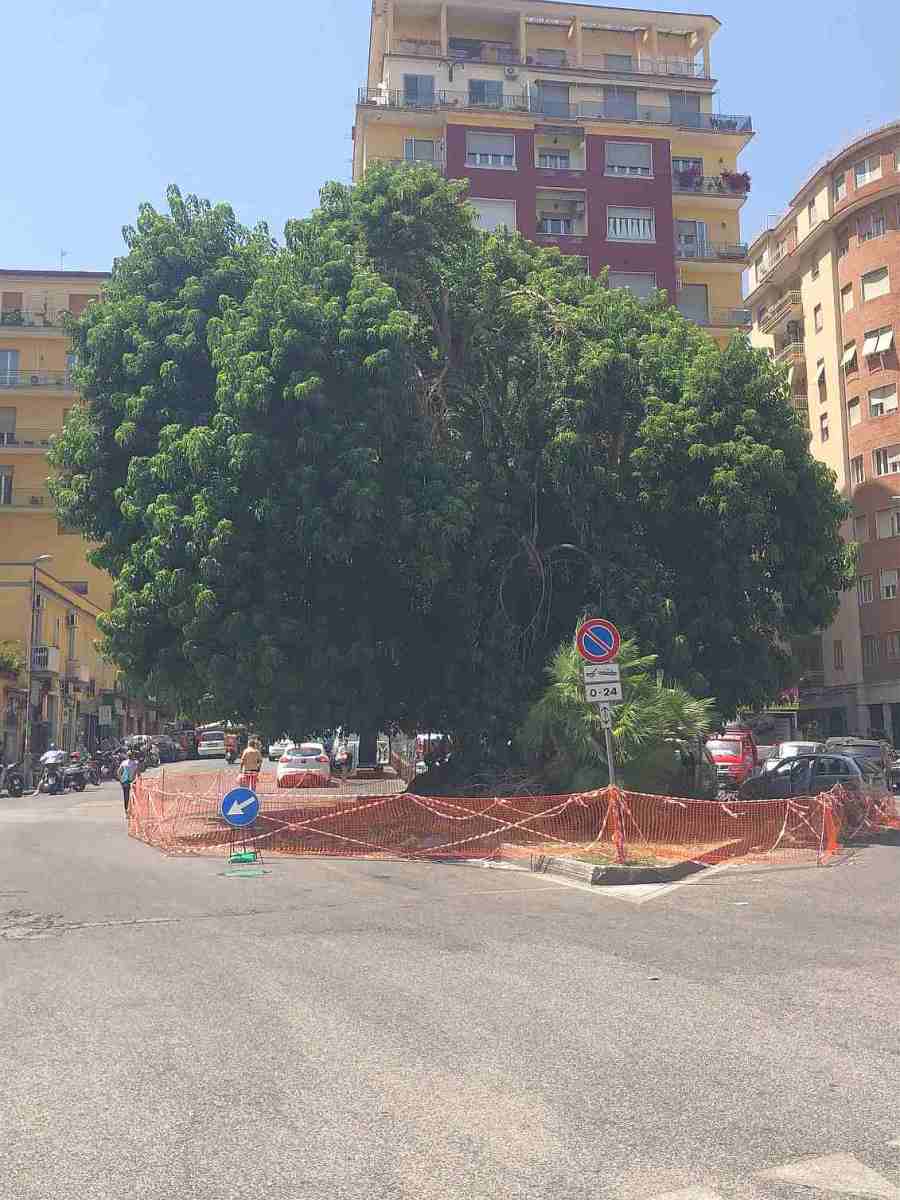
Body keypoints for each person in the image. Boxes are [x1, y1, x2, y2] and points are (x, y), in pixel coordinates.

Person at [117, 748, 139, 816]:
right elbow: (137, 773)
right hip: (133, 782)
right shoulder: (135, 763)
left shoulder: (123, 763)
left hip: (125, 781)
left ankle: (127, 811)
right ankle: (133, 810)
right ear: (132, 756)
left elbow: (119, 772)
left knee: (126, 796)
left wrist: (121, 780)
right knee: (134, 796)